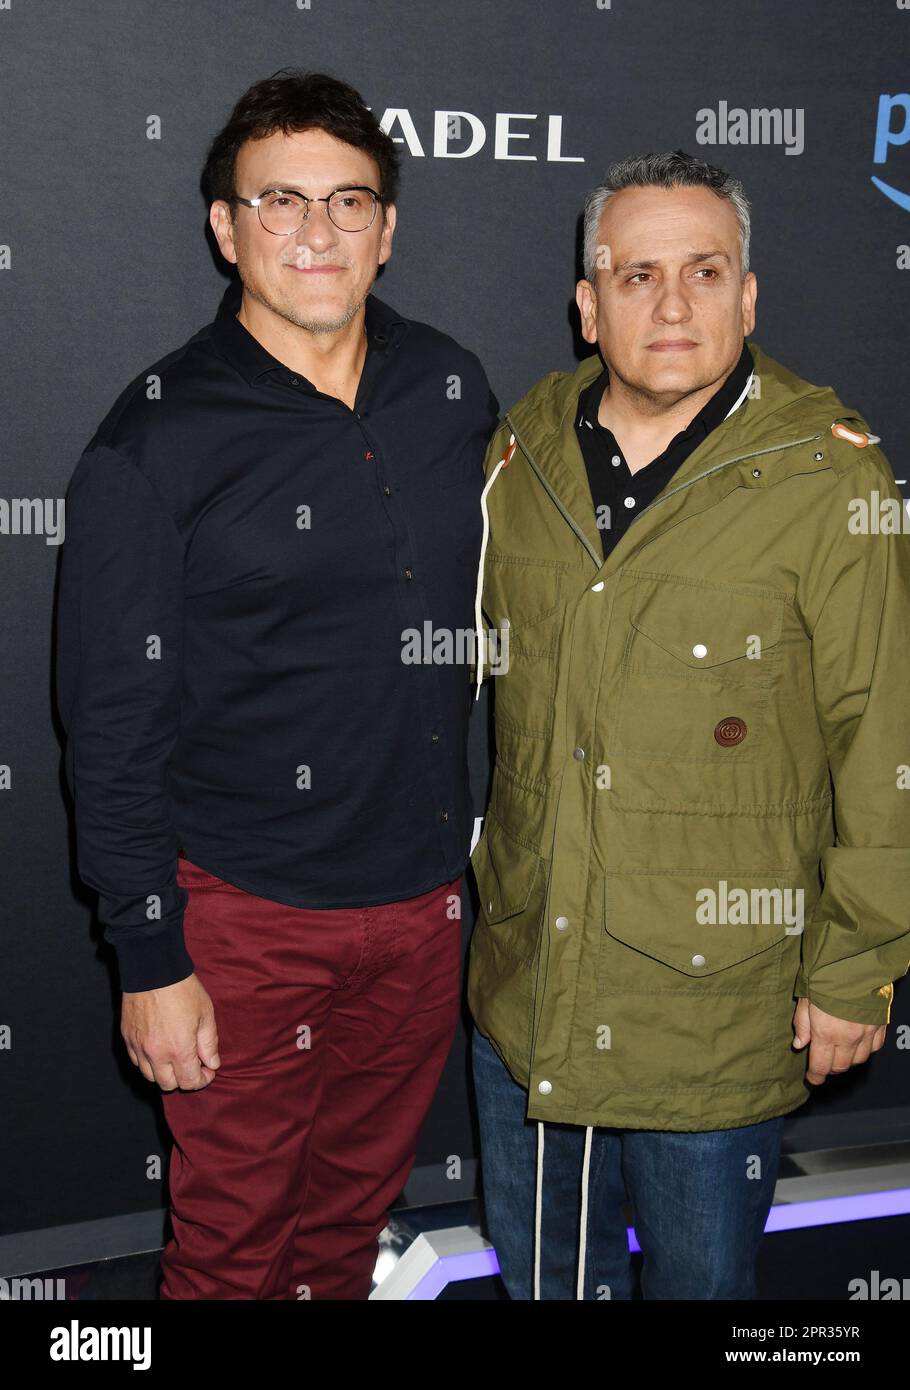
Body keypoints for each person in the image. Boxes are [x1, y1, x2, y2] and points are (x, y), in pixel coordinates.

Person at [55, 68, 498, 1300]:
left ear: (390, 227)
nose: (317, 233)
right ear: (224, 226)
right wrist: (151, 955)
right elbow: (111, 720)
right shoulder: (154, 437)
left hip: (420, 910)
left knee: (344, 1232)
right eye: (280, 202)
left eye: (349, 202)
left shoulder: (451, 387)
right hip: (242, 920)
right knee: (233, 1252)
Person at [466, 149, 910, 1300]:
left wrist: (857, 963)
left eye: (704, 272)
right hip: (531, 997)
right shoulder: (521, 457)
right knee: (547, 1291)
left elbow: (885, 736)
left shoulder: (830, 480)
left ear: (747, 296)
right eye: (636, 274)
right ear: (587, 303)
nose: (671, 305)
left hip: (719, 1016)